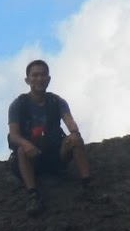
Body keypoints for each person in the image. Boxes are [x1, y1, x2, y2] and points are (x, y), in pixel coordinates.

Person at [7, 59, 92, 213]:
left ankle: (88, 185)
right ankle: (33, 194)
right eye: (35, 75)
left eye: (43, 75)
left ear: (49, 79)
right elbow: (13, 135)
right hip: (33, 156)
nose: (39, 79)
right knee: (21, 151)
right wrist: (26, 144)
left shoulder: (56, 101)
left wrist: (74, 133)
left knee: (76, 140)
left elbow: (69, 120)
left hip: (55, 152)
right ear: (27, 80)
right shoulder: (18, 104)